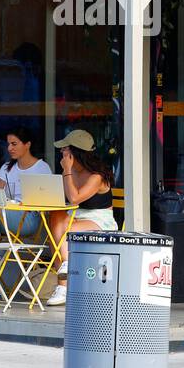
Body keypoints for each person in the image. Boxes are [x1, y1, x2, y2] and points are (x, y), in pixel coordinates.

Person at [46, 129, 117, 307]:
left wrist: (67, 170)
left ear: (75, 152)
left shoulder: (96, 176)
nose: (61, 151)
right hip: (75, 216)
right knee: (55, 217)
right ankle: (65, 266)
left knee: (65, 232)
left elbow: (74, 198)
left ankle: (63, 284)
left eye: (65, 149)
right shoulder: (70, 171)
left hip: (99, 220)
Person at [0, 126, 51, 240]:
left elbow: (48, 200)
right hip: (5, 213)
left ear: (27, 145)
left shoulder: (41, 168)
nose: (9, 148)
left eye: (14, 144)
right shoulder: (6, 167)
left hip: (27, 218)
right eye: (8, 144)